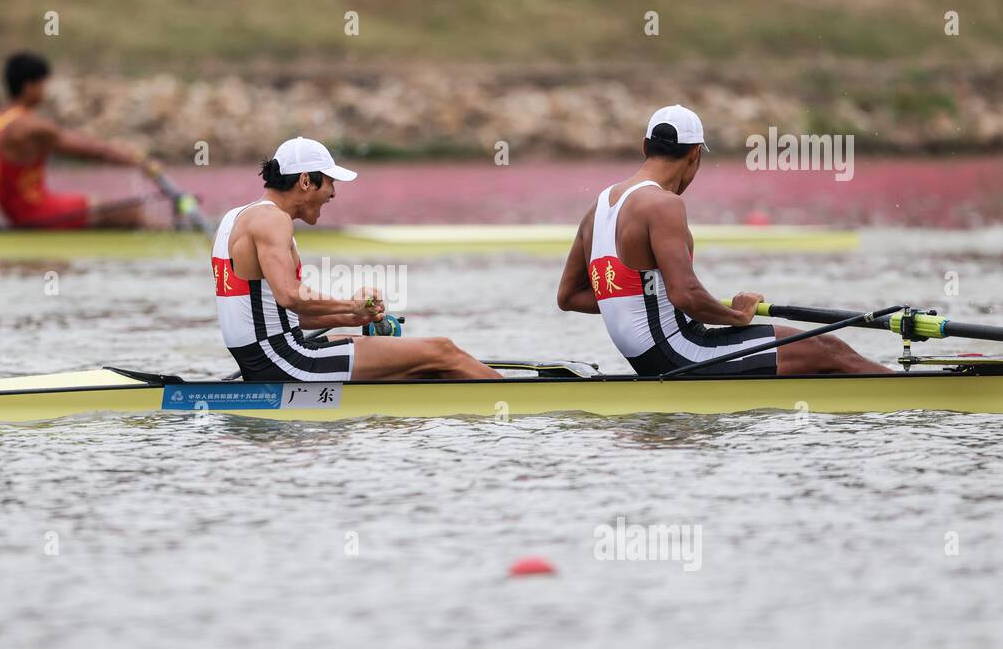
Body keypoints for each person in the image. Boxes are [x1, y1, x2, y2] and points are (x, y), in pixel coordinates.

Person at [557, 104, 888, 375]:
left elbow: (569, 296)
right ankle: (910, 397)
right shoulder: (663, 205)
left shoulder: (597, 207)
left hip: (651, 357)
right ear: (695, 155)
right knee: (827, 348)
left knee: (812, 354)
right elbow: (685, 294)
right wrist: (737, 315)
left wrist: (639, 303)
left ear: (645, 147)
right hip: (681, 353)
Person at [214, 137, 501, 381]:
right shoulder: (272, 220)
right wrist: (352, 302)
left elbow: (275, 314)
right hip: (286, 362)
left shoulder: (235, 217)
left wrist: (352, 316)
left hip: (266, 359)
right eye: (329, 182)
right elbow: (290, 295)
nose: (334, 193)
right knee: (442, 350)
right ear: (305, 181)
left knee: (413, 364)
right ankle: (516, 403)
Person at [0, 52, 157, 229]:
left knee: (105, 207)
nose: (45, 91)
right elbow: (92, 151)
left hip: (20, 211)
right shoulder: (28, 127)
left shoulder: (0, 117)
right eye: (43, 85)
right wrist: (140, 161)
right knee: (131, 214)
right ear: (30, 86)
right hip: (36, 213)